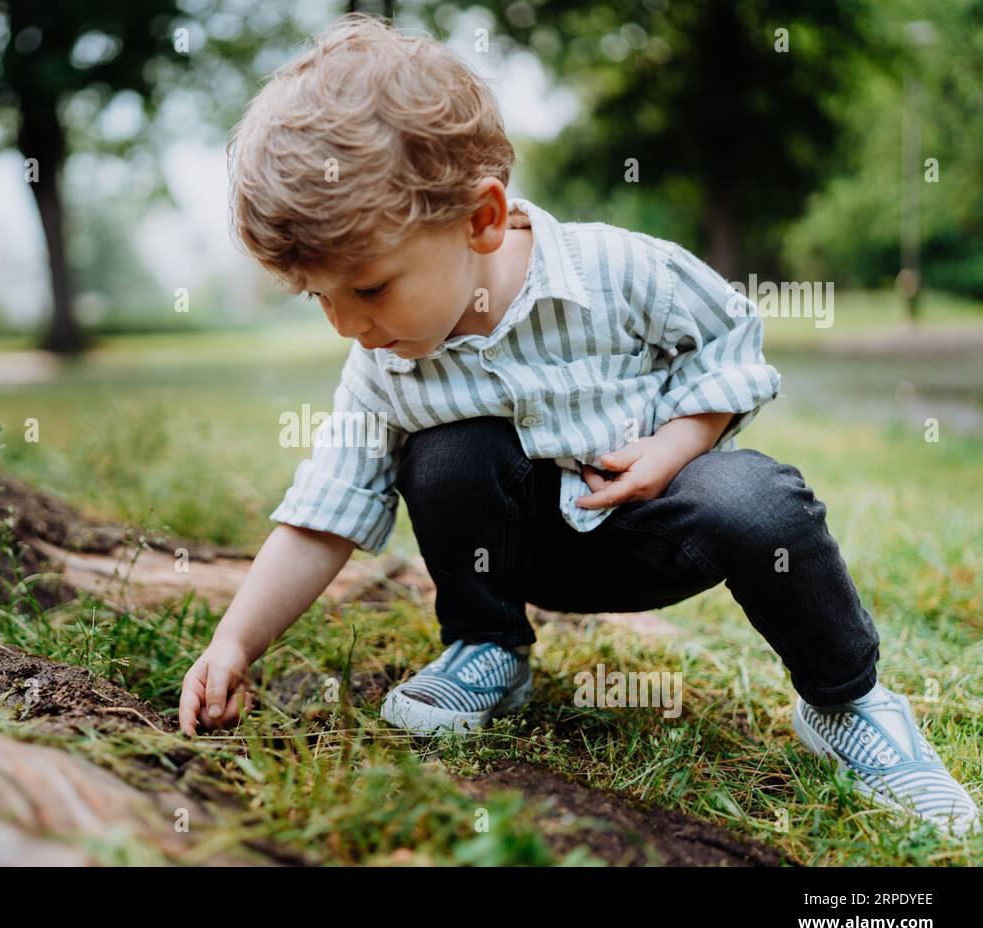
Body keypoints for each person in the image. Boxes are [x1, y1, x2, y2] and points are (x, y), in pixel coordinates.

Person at [177, 12, 977, 837]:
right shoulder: (383, 367)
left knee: (761, 499)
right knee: (449, 450)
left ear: (482, 219)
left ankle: (847, 705)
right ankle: (487, 648)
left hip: (651, 524)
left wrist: (673, 448)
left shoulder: (616, 269)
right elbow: (322, 512)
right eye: (321, 298)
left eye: (371, 288)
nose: (347, 325)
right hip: (526, 554)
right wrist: (236, 642)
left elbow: (732, 337)